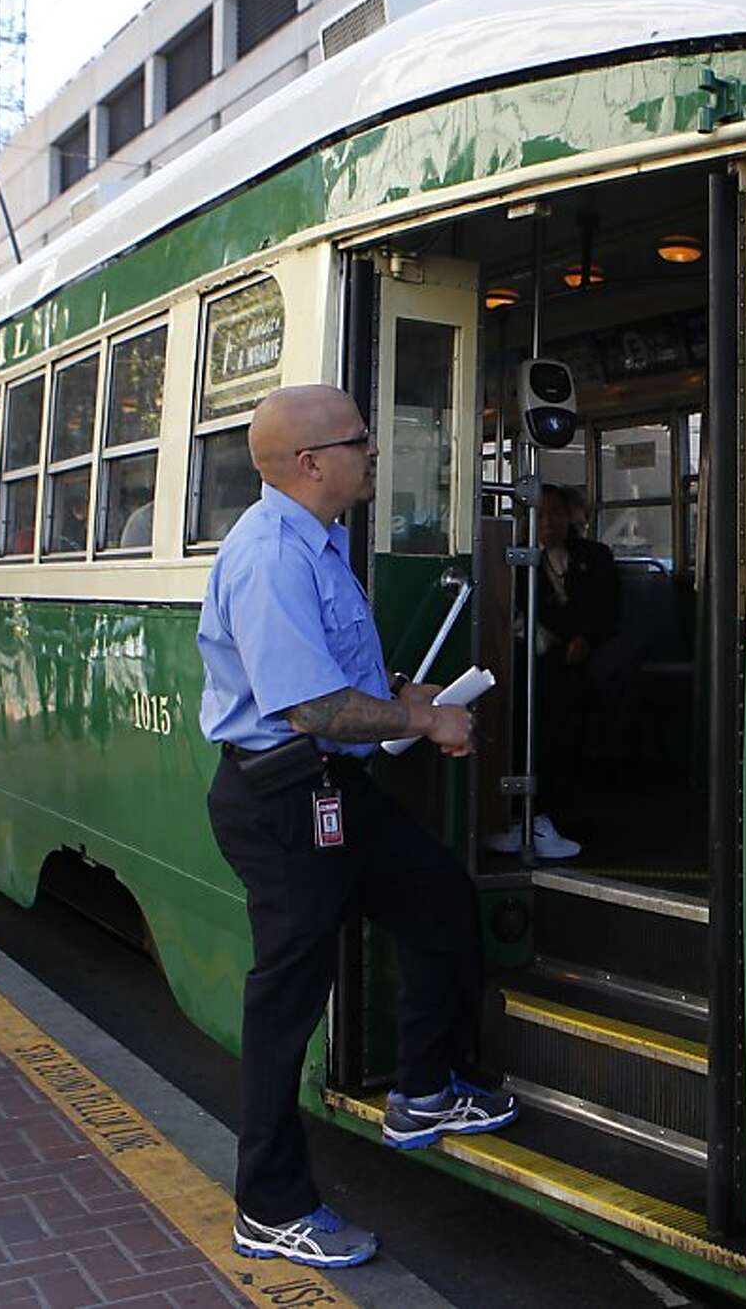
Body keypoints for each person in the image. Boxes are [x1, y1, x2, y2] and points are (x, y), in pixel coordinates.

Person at [197, 384, 515, 1269]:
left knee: (440, 899)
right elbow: (308, 707)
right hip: (285, 802)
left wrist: (403, 698)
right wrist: (425, 722)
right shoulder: (270, 557)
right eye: (358, 439)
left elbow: (338, 682)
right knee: (285, 1008)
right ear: (310, 463)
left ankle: (421, 1090)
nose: (372, 450)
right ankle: (269, 1206)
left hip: (335, 790)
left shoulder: (319, 543)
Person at [485, 483, 620, 859]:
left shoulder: (596, 556)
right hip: (534, 661)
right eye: (540, 515)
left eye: (556, 513)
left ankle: (566, 811)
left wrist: (586, 640)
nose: (548, 522)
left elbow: (607, 610)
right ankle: (528, 815)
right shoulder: (512, 561)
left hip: (586, 657)